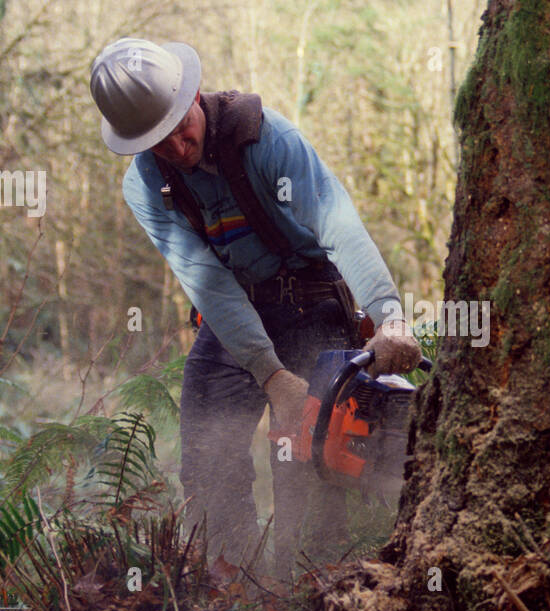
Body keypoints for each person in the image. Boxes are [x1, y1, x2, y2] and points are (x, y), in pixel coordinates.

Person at [89, 36, 421, 578]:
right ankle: (236, 588)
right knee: (207, 454)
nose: (176, 146)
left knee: (309, 465)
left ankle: (309, 591)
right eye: (157, 141)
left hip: (310, 301)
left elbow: (338, 223)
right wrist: (270, 374)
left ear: (194, 95)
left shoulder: (267, 138)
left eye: (179, 127)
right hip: (233, 315)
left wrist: (390, 317)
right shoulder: (146, 186)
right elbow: (208, 283)